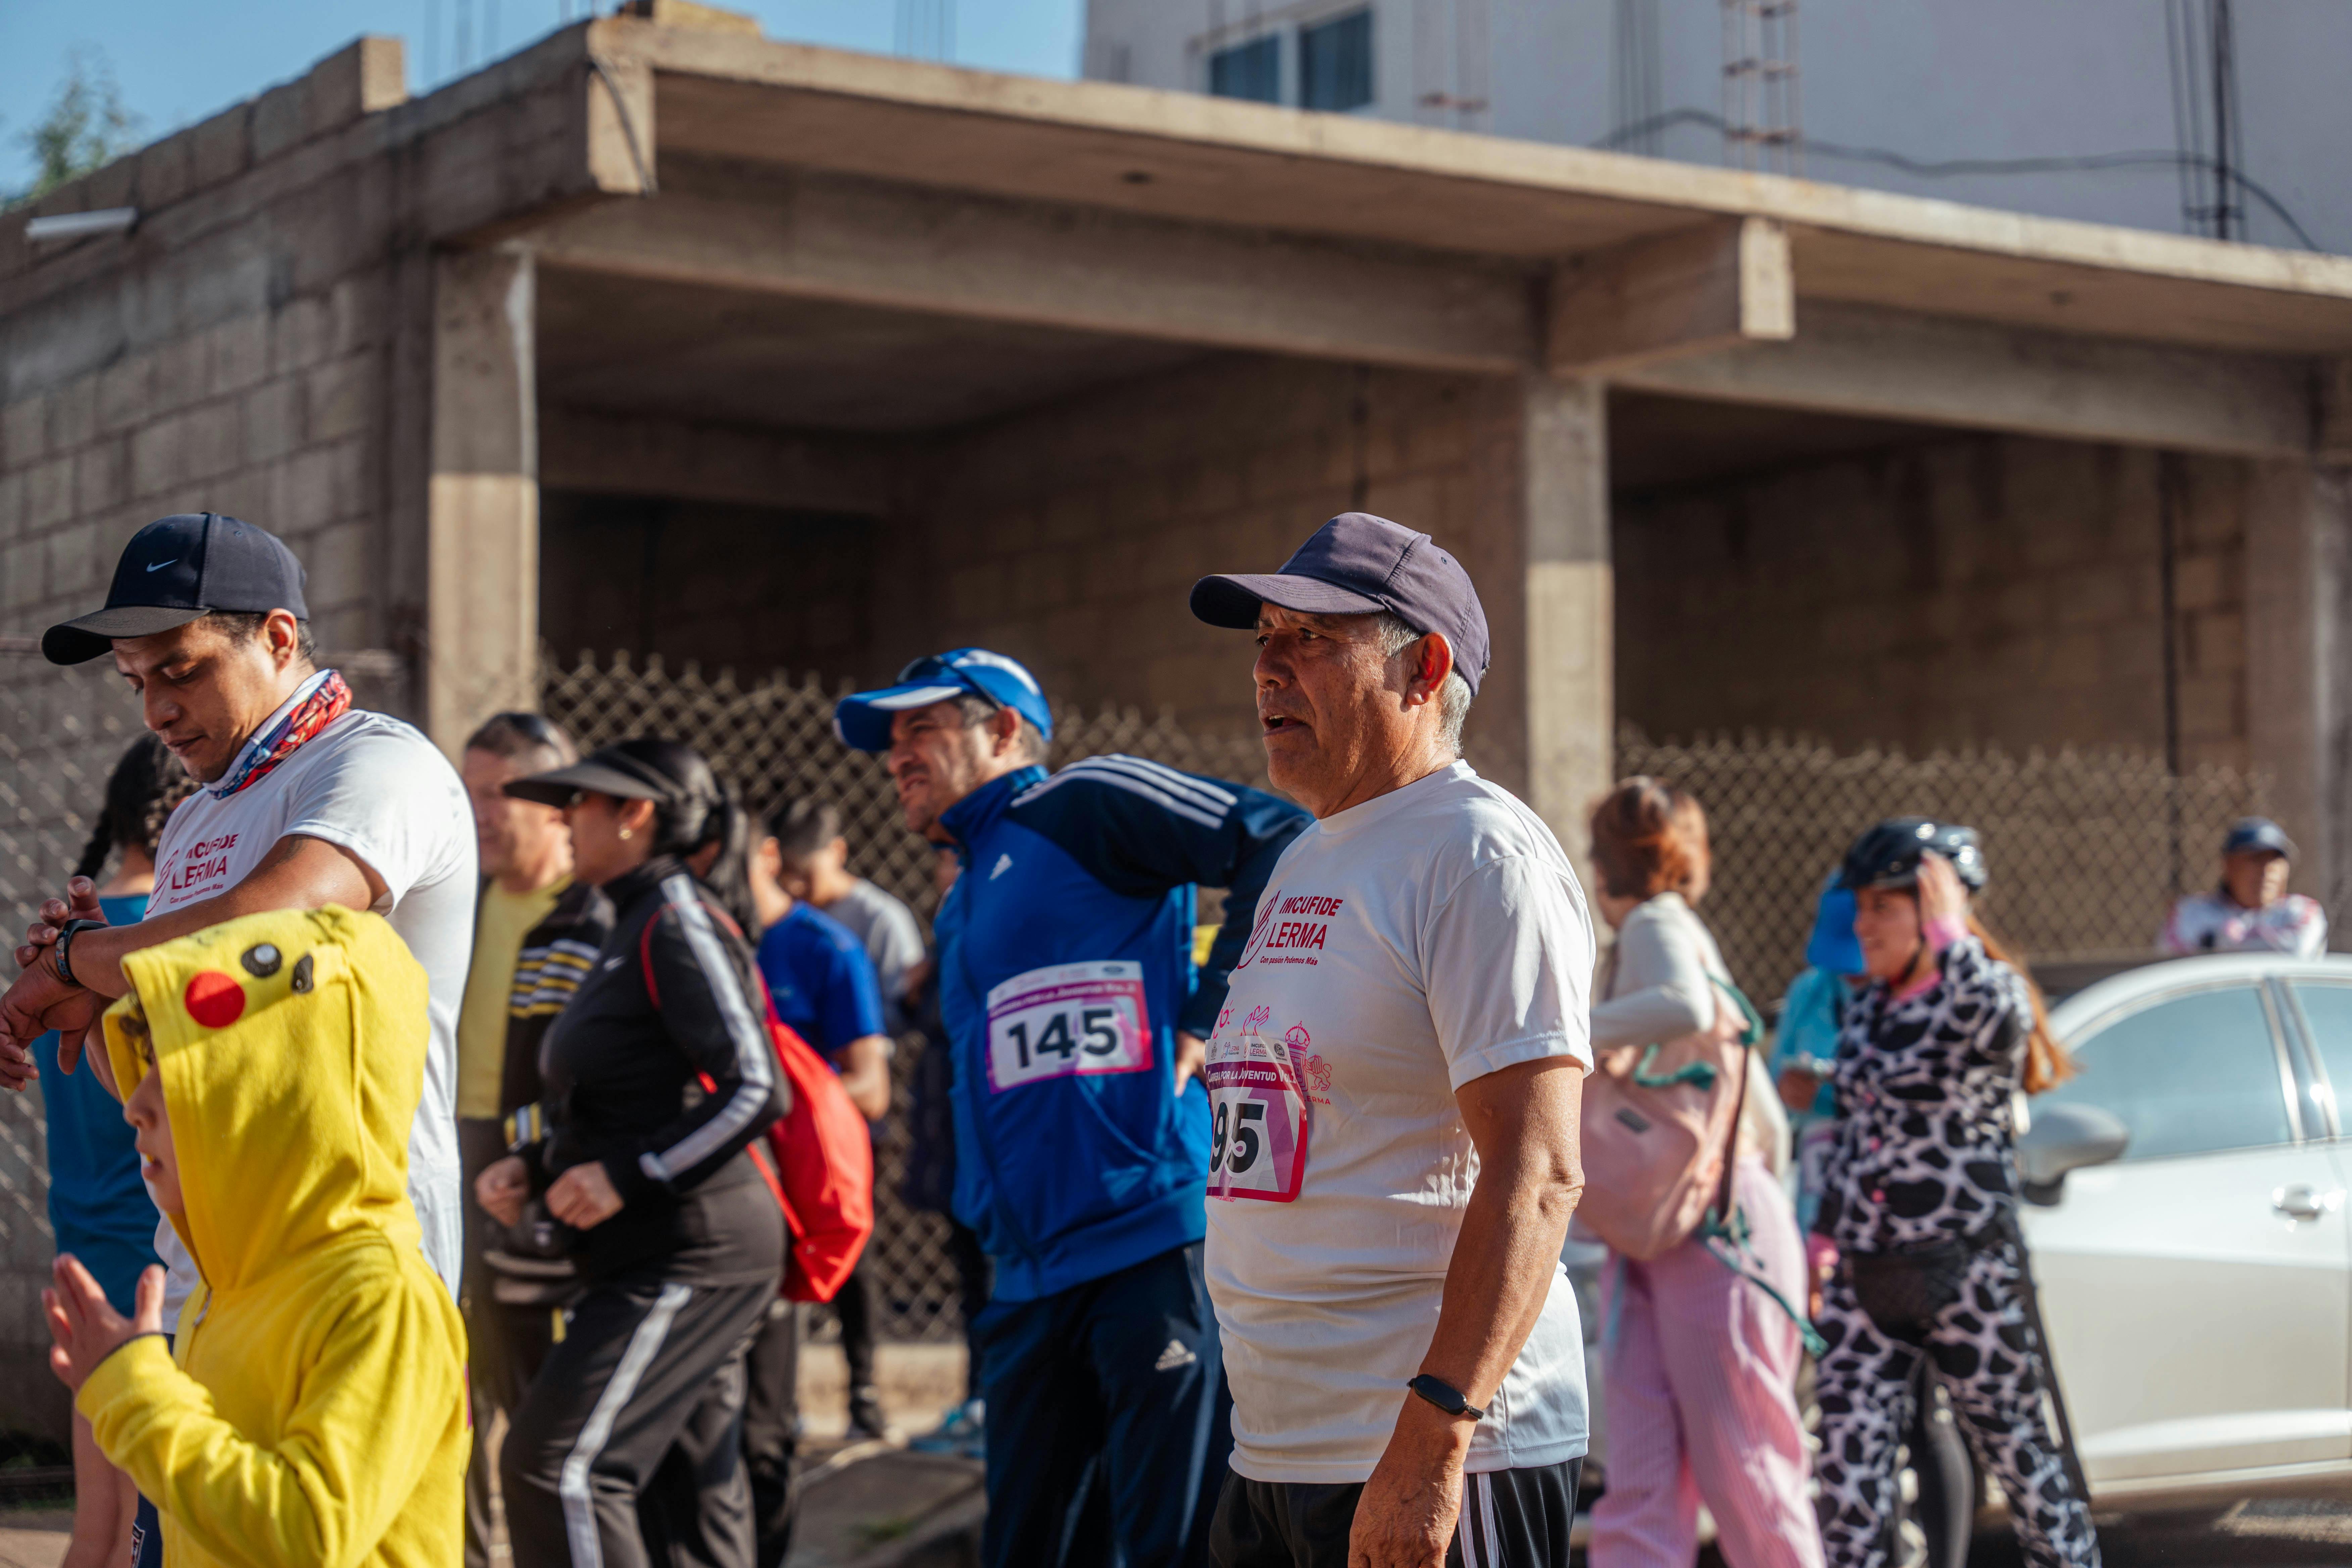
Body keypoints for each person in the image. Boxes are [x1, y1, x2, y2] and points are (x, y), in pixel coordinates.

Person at [834, 645, 1308, 1568]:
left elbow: (1279, 836)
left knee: (1169, 1547)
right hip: (1027, 1280)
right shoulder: (963, 896)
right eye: (891, 741)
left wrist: (1213, 1012)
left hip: (1148, 1243)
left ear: (1004, 730)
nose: (898, 757)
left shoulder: (1082, 803)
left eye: (922, 729)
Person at [1186, 511, 1593, 1568]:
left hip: (1423, 1451)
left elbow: (1538, 1170)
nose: (1269, 669)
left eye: (1311, 639)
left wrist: (1436, 1431)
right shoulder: (1306, 856)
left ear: (1425, 667)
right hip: (1277, 1447)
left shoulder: (1475, 855)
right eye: (1263, 640)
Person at [1, 513, 477, 1352]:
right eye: (135, 681)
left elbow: (275, 921)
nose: (156, 709)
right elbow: (169, 1080)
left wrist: (79, 957)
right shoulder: (195, 819)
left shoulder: (375, 766)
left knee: (329, 1490)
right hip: (208, 1256)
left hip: (349, 1249)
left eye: (181, 672)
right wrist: (95, 1014)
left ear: (279, 637)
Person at [44, 905, 470, 1568]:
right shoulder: (229, 1286)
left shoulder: (382, 1297)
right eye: (148, 1065)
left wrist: (135, 1397)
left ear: (283, 1096)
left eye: (187, 1073)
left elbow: (307, 1536)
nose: (136, 1102)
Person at [479, 737, 788, 1568]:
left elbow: (758, 1086)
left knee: (559, 1469)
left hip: (696, 1250)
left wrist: (626, 1175)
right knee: (677, 1502)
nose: (562, 817)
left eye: (579, 801)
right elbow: (633, 1095)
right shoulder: (630, 919)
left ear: (636, 814)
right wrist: (538, 1163)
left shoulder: (676, 917)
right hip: (645, 1251)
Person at [1811, 819, 2099, 1568]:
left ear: (1933, 904)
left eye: (1883, 906)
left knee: (2025, 1462)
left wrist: (1948, 930)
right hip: (1868, 1273)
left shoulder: (1983, 988)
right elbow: (1859, 1131)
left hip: (1966, 1274)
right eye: (1861, 907)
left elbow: (1998, 1024)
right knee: (1845, 1475)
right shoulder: (1870, 1004)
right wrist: (1823, 1235)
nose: (1864, 925)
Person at [1581, 780, 1818, 1568]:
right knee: (1692, 1471)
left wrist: (1563, 1031)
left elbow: (1683, 1005)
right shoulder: (1666, 931)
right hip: (1689, 1224)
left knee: (1731, 1468)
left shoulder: (1653, 924)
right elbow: (1768, 1118)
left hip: (1707, 1224)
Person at [37, 734, 191, 1568]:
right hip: (152, 1277)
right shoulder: (165, 944)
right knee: (147, 1533)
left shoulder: (77, 950)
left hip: (79, 1256)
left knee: (93, 1527)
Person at [453, 711, 595, 1568]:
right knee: (454, 1376)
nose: (476, 810)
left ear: (553, 802)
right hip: (451, 1153)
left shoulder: (593, 911)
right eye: (467, 790)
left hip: (546, 1162)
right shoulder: (458, 902)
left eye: (494, 791)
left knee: (540, 1391)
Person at [744, 803, 897, 1471]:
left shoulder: (828, 946)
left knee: (847, 1272)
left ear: (767, 857)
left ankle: (862, 1390)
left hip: (812, 1168)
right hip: (737, 1181)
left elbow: (874, 1085)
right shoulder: (707, 938)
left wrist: (790, 1100)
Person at [903, 844, 991, 1460]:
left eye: (956, 858)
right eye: (940, 859)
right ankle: (978, 1401)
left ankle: (992, 1407)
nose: (945, 869)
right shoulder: (947, 922)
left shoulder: (989, 920)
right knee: (970, 1280)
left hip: (985, 1145)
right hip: (951, 1141)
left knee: (991, 1283)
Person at [772, 798, 928, 1035]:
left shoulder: (881, 917)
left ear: (838, 851)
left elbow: (905, 1010)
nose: (794, 886)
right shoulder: (785, 917)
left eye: (805, 873)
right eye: (787, 874)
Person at [2158, 816, 2327, 957]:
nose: (2267, 871)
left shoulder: (2301, 911)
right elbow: (2174, 966)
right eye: (2256, 859)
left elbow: (2294, 956)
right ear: (2228, 865)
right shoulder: (2192, 913)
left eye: (2275, 861)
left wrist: (2215, 943)